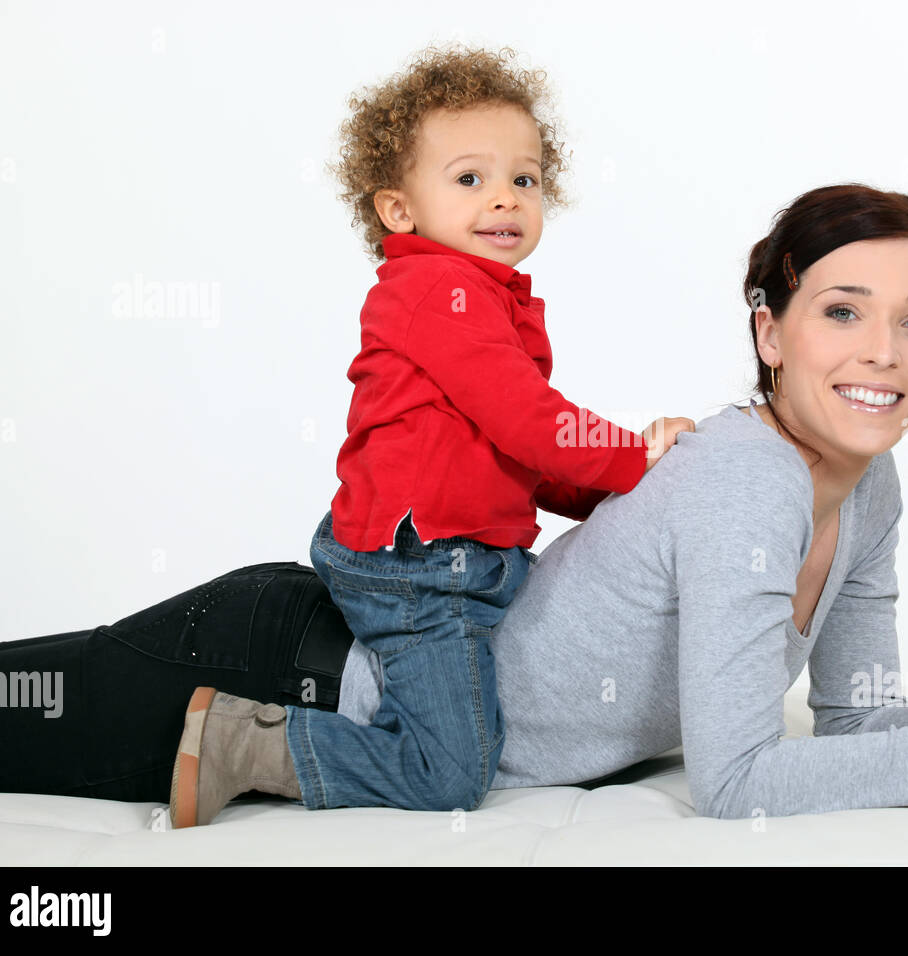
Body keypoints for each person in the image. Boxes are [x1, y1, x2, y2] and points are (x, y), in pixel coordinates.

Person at [0, 184, 908, 821]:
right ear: (770, 331)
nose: (883, 354)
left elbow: (847, 723)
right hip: (292, 664)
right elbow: (736, 780)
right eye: (841, 311)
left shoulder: (874, 489)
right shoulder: (745, 472)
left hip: (337, 644)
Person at [167, 45, 695, 827]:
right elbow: (531, 420)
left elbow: (517, 448)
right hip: (418, 569)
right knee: (450, 770)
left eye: (525, 179)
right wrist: (630, 455)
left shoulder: (486, 298)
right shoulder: (436, 289)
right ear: (399, 210)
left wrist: (609, 489)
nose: (506, 201)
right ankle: (253, 743)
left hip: (460, 562)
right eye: (470, 179)